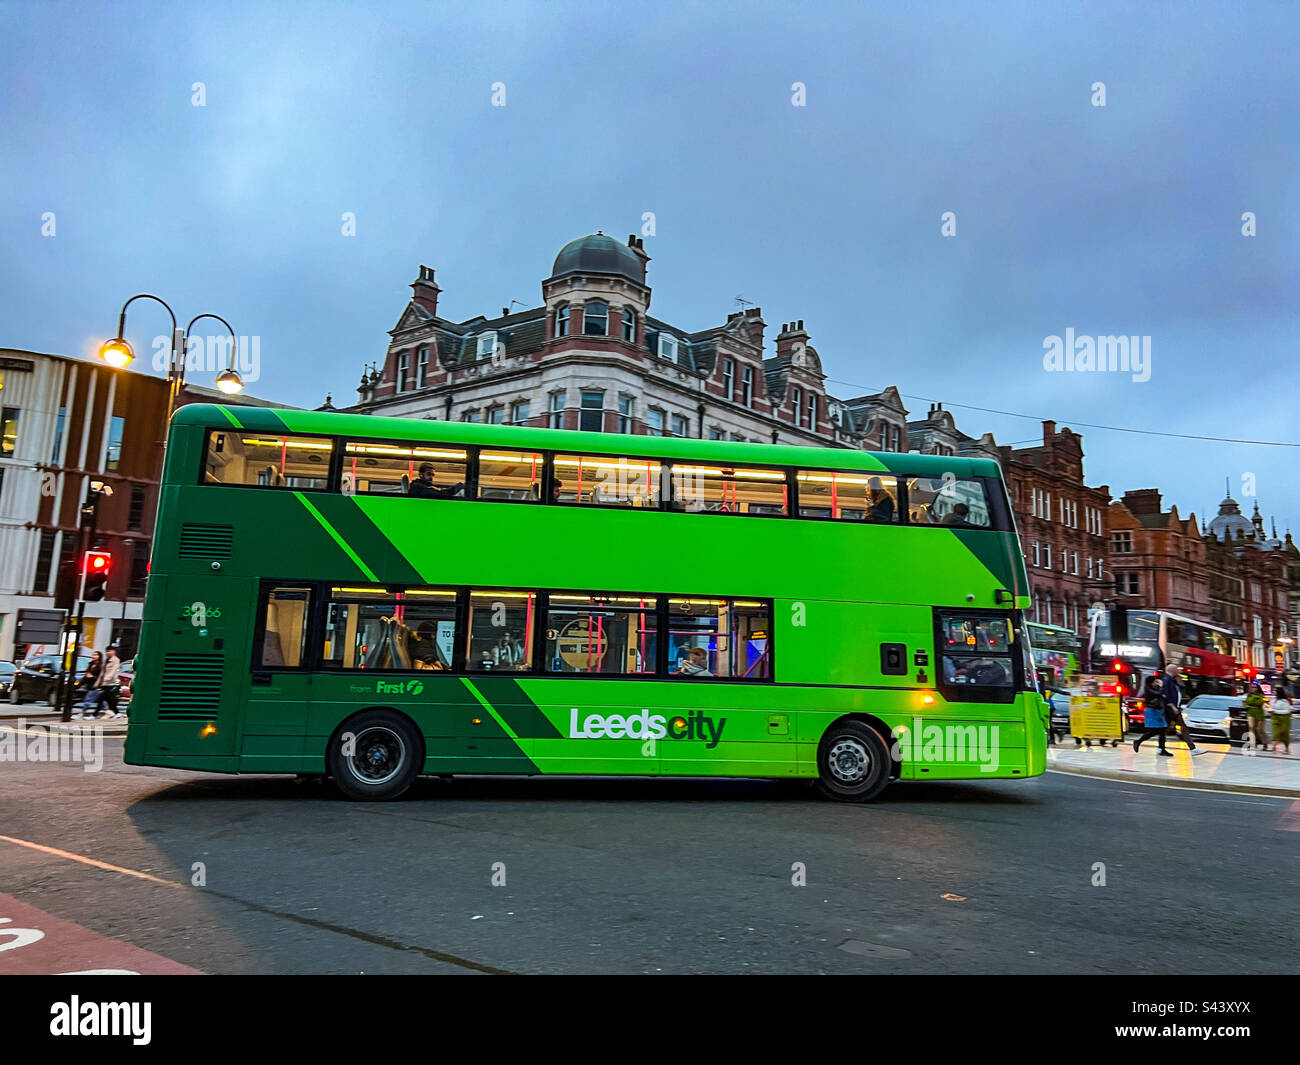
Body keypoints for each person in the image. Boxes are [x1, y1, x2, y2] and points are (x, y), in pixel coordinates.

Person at [1162, 664, 1206, 755]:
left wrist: (1180, 682)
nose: (1179, 671)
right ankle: (1192, 748)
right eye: (1177, 670)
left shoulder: (1173, 680)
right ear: (1172, 670)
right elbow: (1166, 694)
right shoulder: (1166, 680)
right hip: (1171, 708)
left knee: (1167, 728)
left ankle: (1160, 747)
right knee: (1182, 728)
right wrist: (1172, 706)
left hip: (1174, 708)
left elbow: (1180, 691)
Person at [1133, 672, 1172, 756]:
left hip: (1159, 711)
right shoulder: (1149, 689)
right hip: (1153, 711)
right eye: (1155, 681)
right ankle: (1138, 741)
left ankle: (1162, 749)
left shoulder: (1155, 688)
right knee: (1155, 730)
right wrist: (1161, 687)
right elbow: (1159, 694)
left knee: (1162, 731)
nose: (1157, 682)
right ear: (1151, 682)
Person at [72, 651, 103, 720]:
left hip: (96, 686)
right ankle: (111, 713)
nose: (94, 656)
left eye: (96, 655)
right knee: (103, 702)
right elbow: (85, 676)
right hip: (90, 686)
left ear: (99, 656)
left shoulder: (101, 666)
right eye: (93, 655)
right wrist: (78, 685)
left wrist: (92, 677)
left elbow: (101, 677)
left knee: (88, 700)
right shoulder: (90, 664)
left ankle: (82, 713)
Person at [96, 646, 123, 720]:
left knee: (102, 699)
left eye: (109, 651)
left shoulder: (116, 660)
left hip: (112, 683)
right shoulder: (106, 660)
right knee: (108, 700)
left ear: (114, 652)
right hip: (106, 684)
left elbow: (113, 671)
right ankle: (117, 713)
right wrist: (98, 683)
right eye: (107, 651)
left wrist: (107, 678)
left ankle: (94, 714)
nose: (107, 653)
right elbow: (102, 673)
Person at [1243, 683, 1267, 750]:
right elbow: (1245, 704)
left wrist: (1250, 705)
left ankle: (1264, 743)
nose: (1252, 688)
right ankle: (1253, 744)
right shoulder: (1248, 695)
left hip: (1259, 714)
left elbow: (1259, 703)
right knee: (1251, 727)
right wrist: (1249, 705)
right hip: (1250, 713)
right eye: (1251, 687)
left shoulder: (1261, 696)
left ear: (1257, 689)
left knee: (1260, 730)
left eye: (1254, 687)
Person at [1270, 686, 1292, 753]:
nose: (1273, 691)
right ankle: (1274, 747)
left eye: (1275, 690)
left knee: (1284, 734)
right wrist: (1270, 710)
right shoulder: (1273, 700)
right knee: (1275, 733)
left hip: (1284, 719)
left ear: (1279, 692)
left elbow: (1287, 711)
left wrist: (1275, 711)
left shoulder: (1285, 701)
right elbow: (1271, 708)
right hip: (1275, 719)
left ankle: (1287, 748)